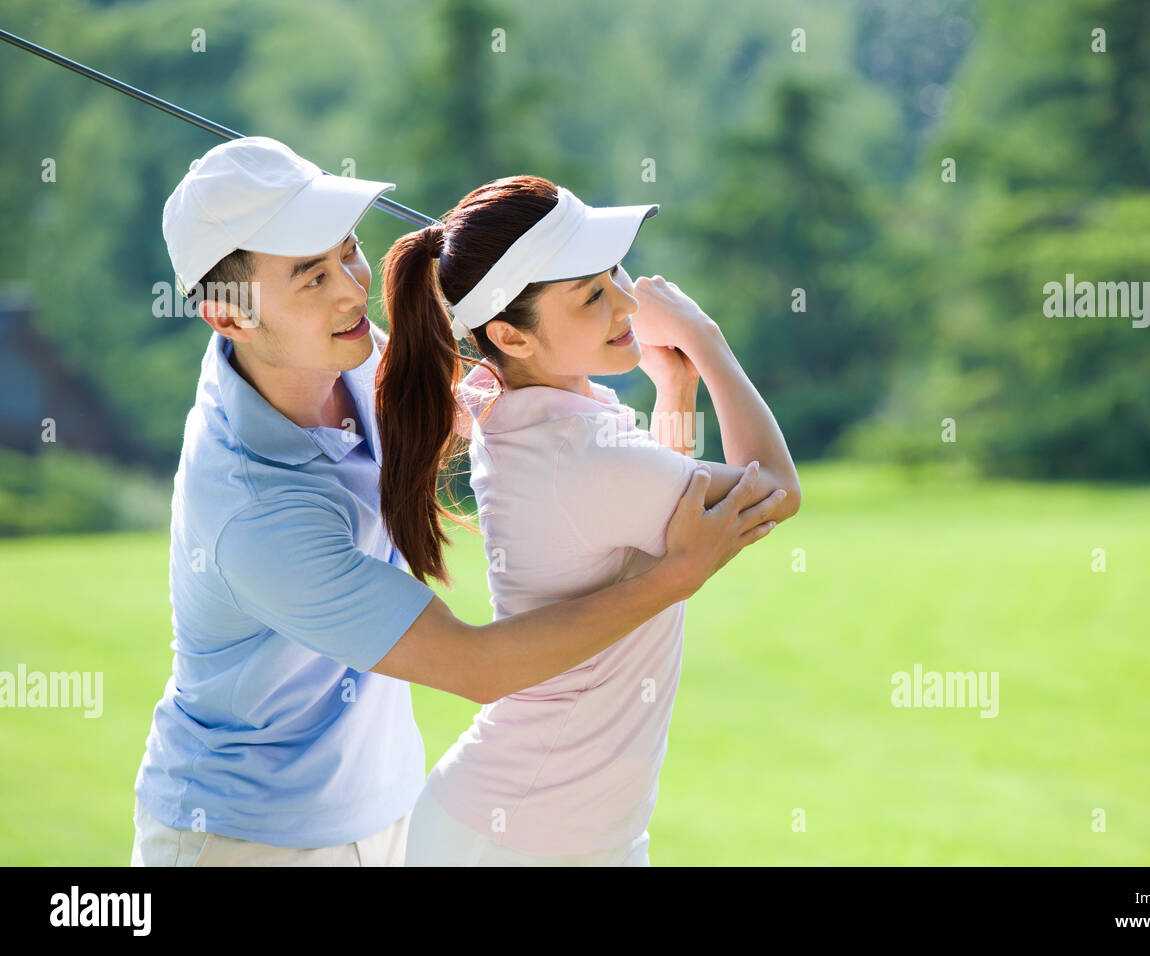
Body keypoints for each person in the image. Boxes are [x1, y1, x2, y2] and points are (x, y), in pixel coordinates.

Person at [130, 137, 785, 866]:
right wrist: (670, 579)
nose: (352, 289)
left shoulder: (346, 355)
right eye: (310, 277)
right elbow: (478, 667)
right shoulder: (256, 514)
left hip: (389, 808)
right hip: (240, 839)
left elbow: (481, 404)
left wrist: (543, 300)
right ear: (229, 317)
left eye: (347, 250)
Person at [376, 175, 801, 866]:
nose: (627, 302)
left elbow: (648, 517)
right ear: (512, 335)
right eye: (591, 295)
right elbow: (776, 491)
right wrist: (707, 338)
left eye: (613, 277)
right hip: (521, 839)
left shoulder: (538, 417)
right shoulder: (578, 449)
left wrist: (675, 387)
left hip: (542, 829)